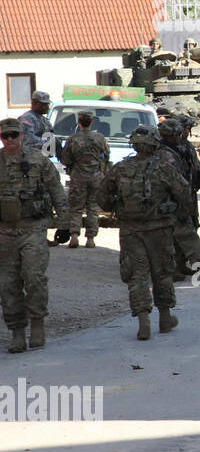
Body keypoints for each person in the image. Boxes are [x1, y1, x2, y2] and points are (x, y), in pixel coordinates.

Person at [98, 126, 189, 340]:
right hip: (159, 228)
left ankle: (143, 322)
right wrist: (176, 212)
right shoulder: (165, 168)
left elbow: (102, 198)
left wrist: (117, 207)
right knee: (163, 272)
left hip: (130, 230)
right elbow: (183, 193)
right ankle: (165, 318)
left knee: (136, 275)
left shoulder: (120, 168)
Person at [0, 117, 67, 352]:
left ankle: (37, 325)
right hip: (4, 232)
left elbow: (57, 191)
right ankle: (17, 332)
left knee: (34, 277)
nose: (9, 140)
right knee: (8, 284)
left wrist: (65, 223)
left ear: (21, 135)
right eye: (5, 136)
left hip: (33, 229)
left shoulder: (37, 160)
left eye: (13, 135)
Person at [157, 117, 200, 281]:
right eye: (183, 130)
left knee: (182, 232)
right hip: (173, 199)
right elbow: (173, 181)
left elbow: (195, 170)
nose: (185, 133)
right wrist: (182, 202)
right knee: (187, 234)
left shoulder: (181, 148)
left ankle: (178, 266)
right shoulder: (165, 154)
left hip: (183, 195)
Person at [57, 110, 109, 248]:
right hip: (96, 177)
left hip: (78, 177)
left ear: (79, 122)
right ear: (91, 122)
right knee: (93, 208)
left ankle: (74, 235)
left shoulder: (73, 139)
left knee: (76, 207)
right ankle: (90, 238)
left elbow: (65, 159)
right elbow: (106, 155)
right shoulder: (99, 138)